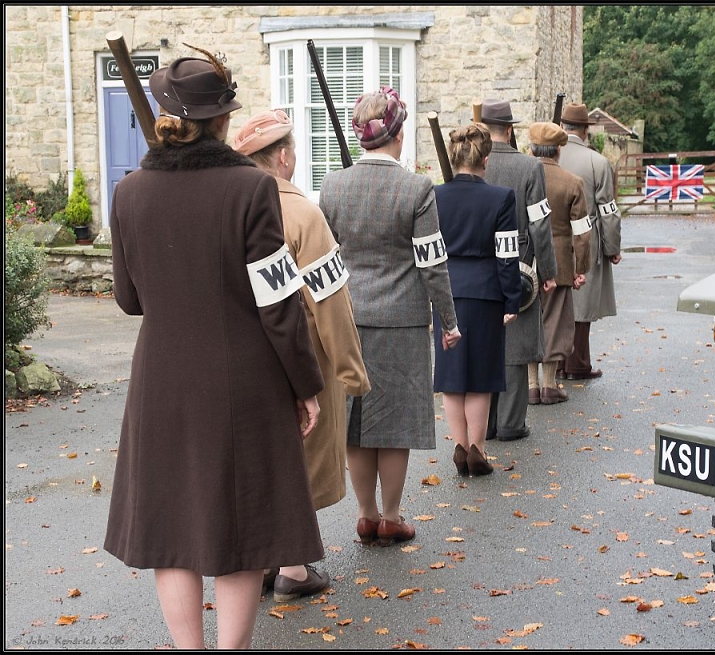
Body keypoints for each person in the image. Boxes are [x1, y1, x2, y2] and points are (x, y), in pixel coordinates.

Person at [104, 47, 326, 650]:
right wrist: (305, 383)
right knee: (239, 523)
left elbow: (129, 300)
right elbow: (280, 305)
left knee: (172, 525)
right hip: (242, 380)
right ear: (223, 119)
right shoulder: (254, 190)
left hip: (163, 379)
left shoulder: (128, 195)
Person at [231, 109, 371, 601]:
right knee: (303, 457)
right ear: (286, 157)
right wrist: (350, 367)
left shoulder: (230, 208)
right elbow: (330, 299)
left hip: (243, 358)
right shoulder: (304, 213)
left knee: (263, 459)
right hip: (303, 353)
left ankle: (270, 560)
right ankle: (292, 566)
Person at [318, 86, 461, 546]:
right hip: (401, 320)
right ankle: (392, 516)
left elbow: (324, 261)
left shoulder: (333, 186)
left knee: (356, 422)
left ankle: (365, 513)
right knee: (394, 423)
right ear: (397, 134)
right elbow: (432, 263)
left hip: (348, 319)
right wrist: (450, 322)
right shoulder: (417, 188)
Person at [432, 123, 521, 476]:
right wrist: (512, 298)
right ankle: (478, 448)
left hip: (448, 289)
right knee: (481, 375)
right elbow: (507, 254)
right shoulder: (501, 197)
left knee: (453, 374)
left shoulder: (435, 195)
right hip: (486, 292)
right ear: (486, 158)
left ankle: (458, 444)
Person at [481, 98, 557, 440]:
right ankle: (511, 423)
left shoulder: (470, 165)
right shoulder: (530, 168)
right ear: (510, 129)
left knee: (486, 340)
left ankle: (487, 422)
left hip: (480, 266)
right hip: (520, 265)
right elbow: (541, 224)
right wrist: (549, 271)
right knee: (516, 341)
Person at [527, 122, 591, 404]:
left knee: (530, 319)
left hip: (526, 260)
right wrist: (581, 268)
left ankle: (530, 385)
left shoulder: (523, 178)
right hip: (561, 260)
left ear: (531, 149)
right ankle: (550, 384)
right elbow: (582, 232)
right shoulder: (572, 182)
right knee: (554, 322)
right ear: (559, 150)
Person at [558, 102, 622, 380]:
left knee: (558, 303)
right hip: (587, 237)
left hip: (552, 237)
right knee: (582, 304)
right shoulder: (598, 162)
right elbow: (608, 210)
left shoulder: (547, 157)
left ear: (562, 127)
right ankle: (578, 363)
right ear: (585, 129)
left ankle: (557, 363)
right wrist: (613, 247)